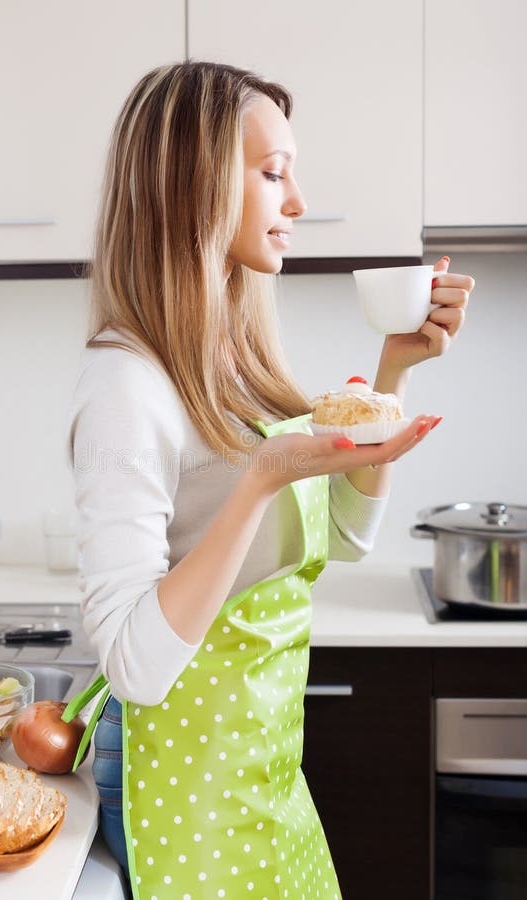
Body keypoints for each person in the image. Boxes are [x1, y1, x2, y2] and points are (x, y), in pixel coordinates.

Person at [66, 61, 474, 899]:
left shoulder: (237, 359)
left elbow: (345, 540)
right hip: (178, 775)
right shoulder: (125, 384)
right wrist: (259, 478)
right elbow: (136, 667)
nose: (295, 203)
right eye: (273, 173)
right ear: (195, 185)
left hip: (259, 761)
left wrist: (391, 375)